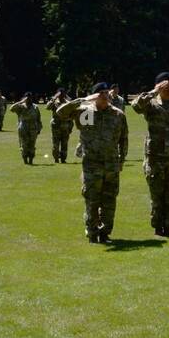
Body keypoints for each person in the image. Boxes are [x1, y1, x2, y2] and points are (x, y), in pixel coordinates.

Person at [55, 83, 129, 243]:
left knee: (110, 200)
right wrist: (83, 99)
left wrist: (121, 160)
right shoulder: (86, 111)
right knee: (92, 199)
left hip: (111, 164)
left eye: (106, 92)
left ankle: (105, 232)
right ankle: (92, 231)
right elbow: (60, 113)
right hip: (91, 164)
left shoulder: (117, 114)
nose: (105, 95)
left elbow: (124, 140)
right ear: (94, 95)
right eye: (100, 93)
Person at [131, 71, 169, 237]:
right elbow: (136, 106)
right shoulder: (150, 104)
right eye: (167, 84)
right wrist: (153, 91)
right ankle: (158, 226)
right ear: (159, 85)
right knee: (157, 195)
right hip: (155, 158)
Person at [9, 93, 42, 164]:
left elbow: (38, 119)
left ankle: (31, 160)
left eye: (30, 98)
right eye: (27, 98)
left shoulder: (35, 107)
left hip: (33, 128)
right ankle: (25, 160)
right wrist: (21, 102)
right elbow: (11, 109)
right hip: (23, 127)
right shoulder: (20, 107)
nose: (28, 99)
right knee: (24, 145)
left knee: (32, 145)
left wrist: (39, 128)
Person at [47, 89, 73, 163]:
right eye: (60, 94)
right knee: (55, 143)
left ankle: (63, 159)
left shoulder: (67, 103)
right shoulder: (55, 102)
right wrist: (54, 98)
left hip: (65, 125)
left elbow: (71, 114)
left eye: (63, 94)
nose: (62, 95)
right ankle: (56, 159)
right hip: (56, 125)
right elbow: (47, 107)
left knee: (65, 143)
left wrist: (70, 127)